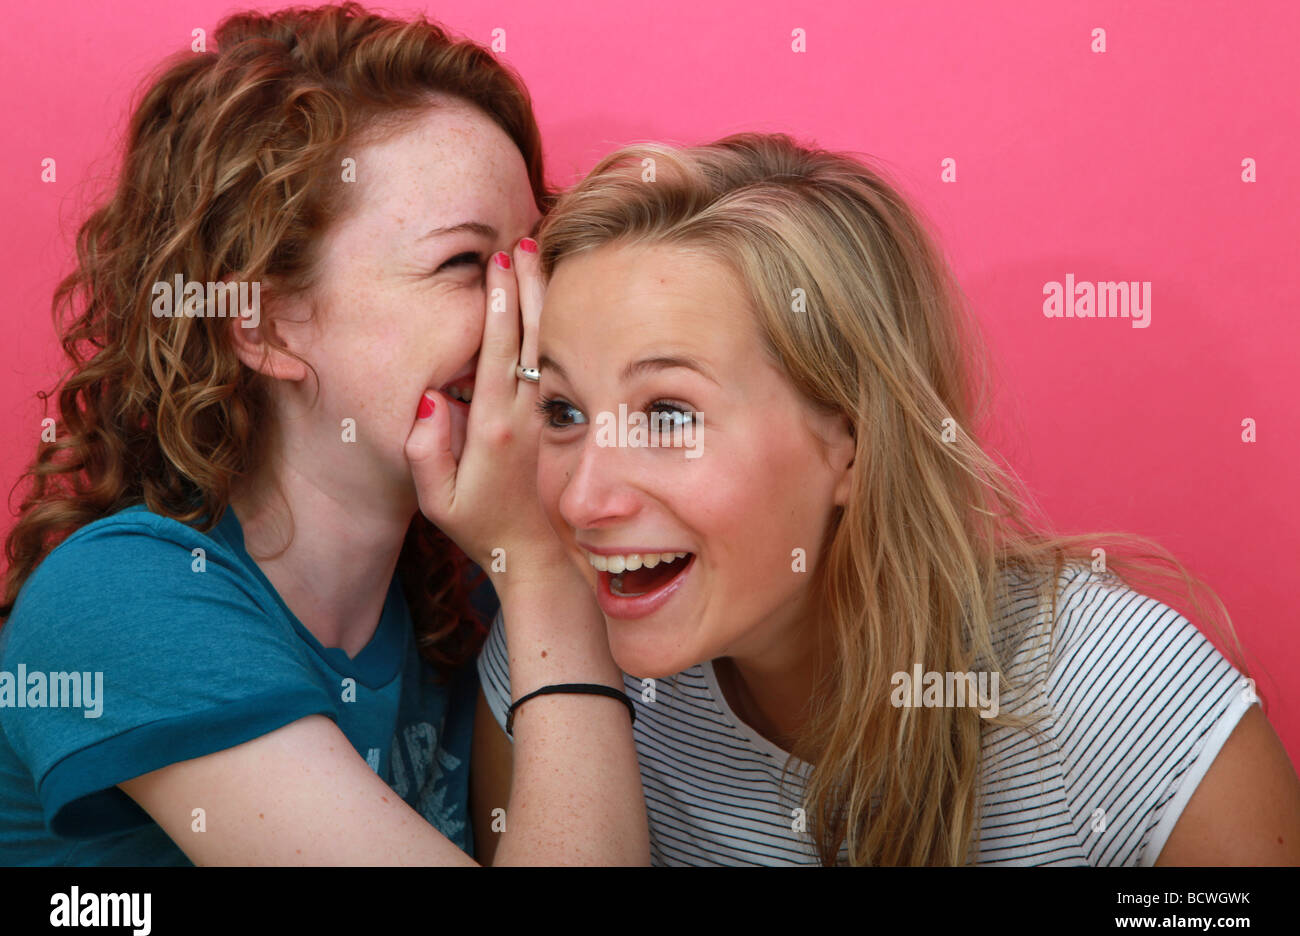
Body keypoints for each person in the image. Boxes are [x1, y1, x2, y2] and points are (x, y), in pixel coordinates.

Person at [472, 132, 1300, 865]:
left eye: (669, 414)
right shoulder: (555, 654)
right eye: (563, 411)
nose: (583, 498)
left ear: (856, 444)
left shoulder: (1122, 700)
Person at [0, 3, 647, 866]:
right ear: (264, 327)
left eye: (534, 261)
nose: (530, 318)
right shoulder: (120, 603)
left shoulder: (465, 599)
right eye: (465, 265)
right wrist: (542, 570)